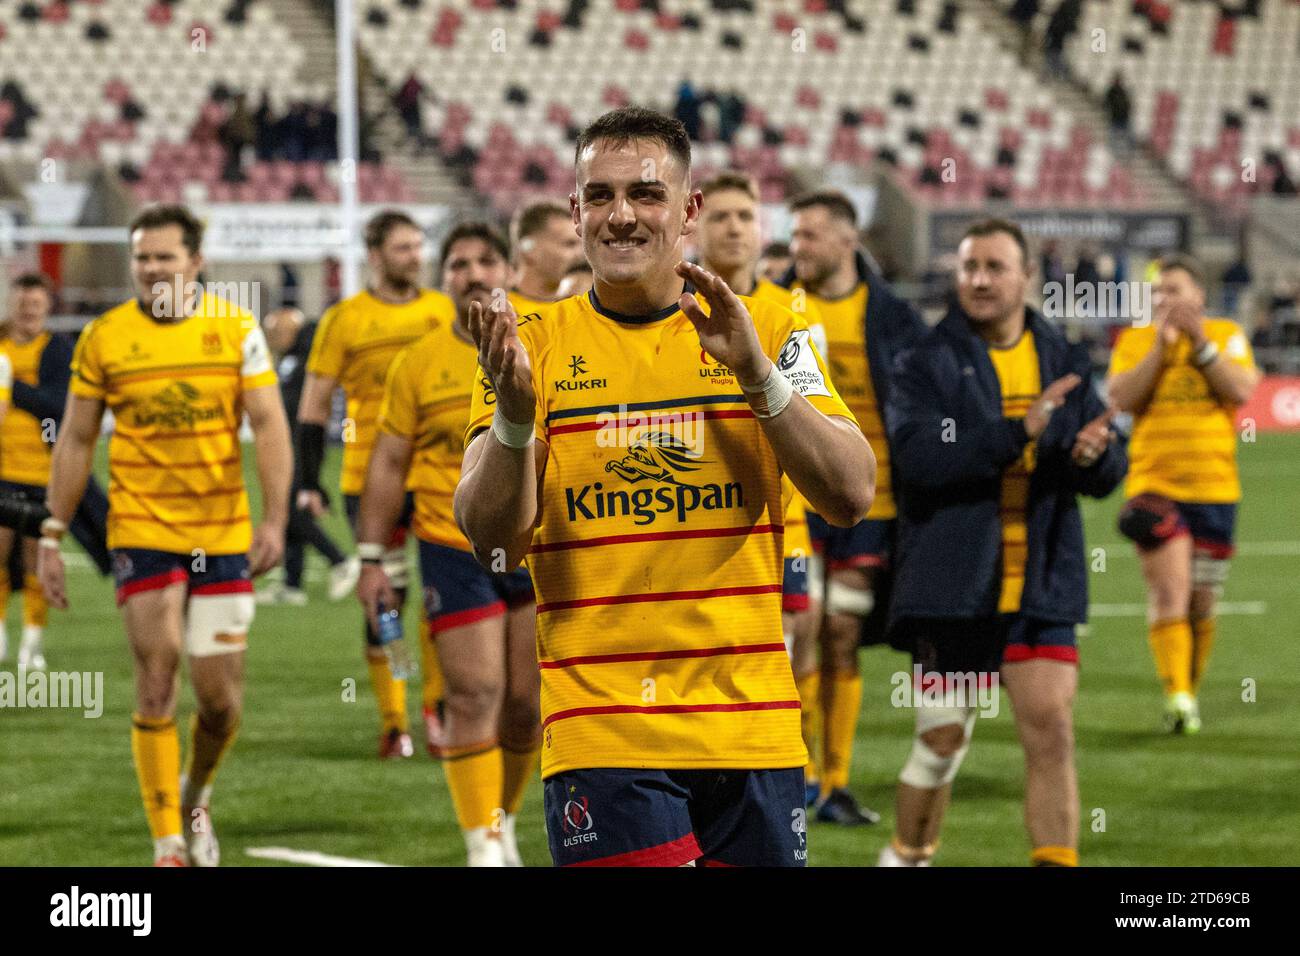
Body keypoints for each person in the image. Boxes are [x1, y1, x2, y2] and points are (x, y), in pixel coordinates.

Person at [455, 106, 873, 867]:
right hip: (604, 728)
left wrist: (757, 378)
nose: (623, 216)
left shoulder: (767, 328)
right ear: (576, 212)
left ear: (689, 210)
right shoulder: (531, 348)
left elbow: (851, 493)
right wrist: (516, 421)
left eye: (647, 194)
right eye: (602, 196)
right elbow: (493, 541)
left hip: (754, 728)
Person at [38, 204, 292, 866]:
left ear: (195, 262)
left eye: (164, 257)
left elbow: (269, 425)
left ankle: (196, 794)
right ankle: (168, 843)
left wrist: (274, 519)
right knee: (157, 673)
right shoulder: (103, 338)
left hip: (223, 529)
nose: (150, 269)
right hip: (142, 526)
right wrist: (51, 533)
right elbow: (76, 438)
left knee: (219, 701)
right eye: (142, 257)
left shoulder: (234, 329)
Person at [880, 218, 1126, 867]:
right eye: (969, 267)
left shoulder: (1062, 357)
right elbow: (922, 456)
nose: (979, 280)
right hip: (955, 585)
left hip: (1041, 580)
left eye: (994, 266)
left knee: (1051, 731)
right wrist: (1017, 430)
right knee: (940, 743)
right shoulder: (924, 361)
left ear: (1026, 277)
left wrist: (1095, 456)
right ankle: (907, 855)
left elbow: (1100, 468)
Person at [357, 223, 540, 867]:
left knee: (526, 705)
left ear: (512, 269)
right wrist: (372, 558)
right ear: (444, 280)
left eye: (486, 260)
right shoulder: (418, 361)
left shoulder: (545, 339)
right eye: (457, 263)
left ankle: (505, 818)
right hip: (449, 543)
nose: (472, 272)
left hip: (531, 543)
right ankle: (481, 845)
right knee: (473, 693)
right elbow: (387, 464)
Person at [780, 190, 926, 826]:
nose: (798, 248)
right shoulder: (773, 306)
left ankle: (833, 782)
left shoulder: (891, 318)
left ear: (847, 240)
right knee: (801, 636)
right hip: (793, 500)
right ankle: (800, 772)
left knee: (842, 634)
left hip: (871, 500)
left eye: (810, 235)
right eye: (794, 236)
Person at [297, 210, 457, 759]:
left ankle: (437, 712)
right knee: (387, 600)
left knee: (445, 595)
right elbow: (315, 405)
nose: (416, 256)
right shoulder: (345, 320)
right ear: (375, 253)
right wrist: (307, 479)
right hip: (369, 479)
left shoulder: (443, 310)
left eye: (419, 246)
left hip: (440, 473)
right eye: (404, 248)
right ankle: (396, 721)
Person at [694, 171, 827, 806]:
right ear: (694, 225)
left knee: (790, 656)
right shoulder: (667, 314)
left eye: (745, 215)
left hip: (785, 527)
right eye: (720, 215)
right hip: (699, 529)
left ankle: (791, 772)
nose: (733, 227)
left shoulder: (793, 321)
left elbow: (821, 433)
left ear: (761, 228)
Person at [1107, 254, 1260, 734]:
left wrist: (1199, 344)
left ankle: (1186, 687)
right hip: (1156, 486)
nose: (1164, 300)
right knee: (1169, 591)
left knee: (1202, 601)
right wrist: (1159, 349)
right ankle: (1178, 697)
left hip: (1216, 488)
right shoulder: (1135, 340)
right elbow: (1122, 398)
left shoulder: (1226, 334)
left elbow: (1241, 390)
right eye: (1156, 293)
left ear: (1199, 295)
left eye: (1174, 290)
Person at [257, 307, 356, 606]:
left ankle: (339, 560)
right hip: (288, 440)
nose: (272, 339)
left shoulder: (308, 356)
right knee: (286, 505)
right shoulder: (292, 357)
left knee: (290, 507)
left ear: (292, 328)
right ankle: (291, 584)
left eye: (277, 332)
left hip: (299, 442)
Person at [509, 201, 585, 311]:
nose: (580, 254)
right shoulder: (500, 312)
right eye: (569, 244)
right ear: (528, 248)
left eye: (581, 245)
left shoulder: (579, 309)